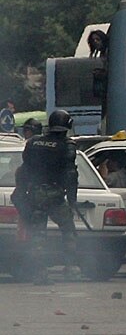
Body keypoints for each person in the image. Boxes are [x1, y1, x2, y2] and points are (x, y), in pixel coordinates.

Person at [13, 109, 80, 284]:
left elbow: (24, 169)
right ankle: (71, 269)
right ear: (67, 126)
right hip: (55, 195)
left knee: (38, 236)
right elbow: (71, 175)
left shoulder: (34, 143)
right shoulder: (67, 146)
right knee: (68, 230)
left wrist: (21, 191)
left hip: (34, 194)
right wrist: (72, 201)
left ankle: (40, 273)